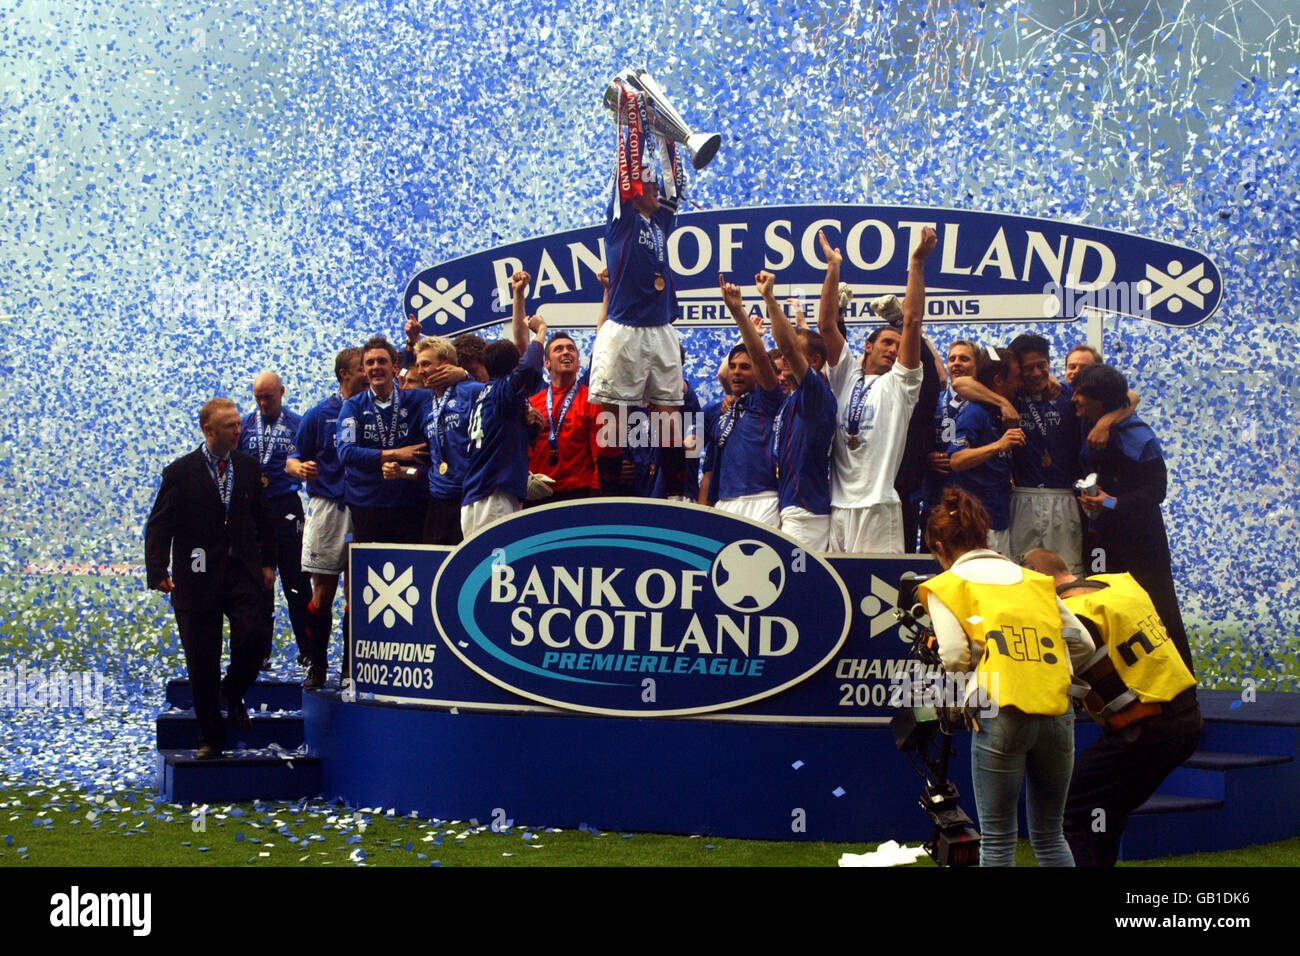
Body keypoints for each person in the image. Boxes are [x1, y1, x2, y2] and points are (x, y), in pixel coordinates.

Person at [918, 487, 1094, 866]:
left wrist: (977, 680)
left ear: (937, 545)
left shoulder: (947, 585)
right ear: (983, 533)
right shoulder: (1033, 580)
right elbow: (1082, 642)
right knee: (1050, 836)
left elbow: (952, 655)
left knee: (998, 842)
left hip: (1000, 711)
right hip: (1057, 710)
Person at [1021, 548, 1201, 866]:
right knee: (1105, 810)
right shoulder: (1119, 583)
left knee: (1072, 812)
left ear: (1037, 578)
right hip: (1187, 720)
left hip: (1145, 730)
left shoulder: (1072, 614)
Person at [145, 399, 276, 759]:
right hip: (196, 577)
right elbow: (159, 525)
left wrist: (268, 564)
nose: (239, 430)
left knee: (255, 639)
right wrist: (157, 570)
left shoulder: (248, 468)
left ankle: (232, 692)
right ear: (209, 431)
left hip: (242, 572)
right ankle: (210, 738)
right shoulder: (180, 473)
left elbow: (265, 519)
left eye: (238, 424)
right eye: (230, 426)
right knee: (202, 660)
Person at [817, 226, 937, 553]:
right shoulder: (845, 377)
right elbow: (826, 325)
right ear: (867, 346)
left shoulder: (901, 384)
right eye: (886, 342)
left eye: (897, 346)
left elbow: (911, 321)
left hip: (878, 507)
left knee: (879, 601)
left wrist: (916, 263)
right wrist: (832, 268)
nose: (893, 349)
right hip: (837, 507)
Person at [1071, 364, 1194, 672]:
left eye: (1080, 394)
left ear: (1100, 400)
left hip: (1142, 540)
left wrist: (1110, 502)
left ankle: (1183, 687)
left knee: (1160, 610)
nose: (1073, 399)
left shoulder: (1139, 437)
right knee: (1109, 609)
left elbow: (1157, 490)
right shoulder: (1088, 423)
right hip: (1102, 539)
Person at [286, 348, 365, 688]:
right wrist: (299, 468)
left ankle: (350, 669)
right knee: (323, 593)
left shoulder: (369, 410)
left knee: (358, 593)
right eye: (361, 366)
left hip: (363, 508)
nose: (367, 371)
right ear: (344, 374)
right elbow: (291, 458)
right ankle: (317, 665)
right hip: (327, 509)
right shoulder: (319, 413)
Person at [756, 269, 836, 550]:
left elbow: (787, 346)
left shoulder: (816, 393)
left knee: (802, 590)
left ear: (814, 361)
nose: (786, 356)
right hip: (791, 508)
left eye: (794, 353)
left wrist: (769, 299)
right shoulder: (790, 398)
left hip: (807, 514)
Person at [239, 371, 310, 670]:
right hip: (254, 510)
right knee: (258, 585)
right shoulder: (243, 425)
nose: (263, 403)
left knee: (296, 582)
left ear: (281, 391)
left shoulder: (298, 423)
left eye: (268, 396)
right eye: (258, 398)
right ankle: (259, 653)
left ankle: (308, 650)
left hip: (286, 506)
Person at [700, 275, 783, 526]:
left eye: (745, 367)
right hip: (724, 500)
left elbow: (758, 355)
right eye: (734, 366)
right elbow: (709, 468)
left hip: (763, 499)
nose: (736, 371)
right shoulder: (721, 411)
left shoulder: (768, 400)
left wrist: (739, 314)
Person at [460, 313, 549, 538]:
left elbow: (504, 437)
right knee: (497, 569)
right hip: (493, 496)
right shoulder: (502, 392)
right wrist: (541, 332)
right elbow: (529, 368)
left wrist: (531, 427)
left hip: (477, 495)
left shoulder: (486, 396)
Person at [336, 336, 430, 545]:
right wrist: (396, 454)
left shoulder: (418, 400)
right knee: (368, 573)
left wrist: (462, 373)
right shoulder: (352, 407)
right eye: (370, 363)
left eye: (382, 361)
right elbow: (346, 452)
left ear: (394, 367)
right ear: (363, 369)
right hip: (366, 506)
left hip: (410, 505)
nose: (375, 367)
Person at [947, 347, 1024, 555]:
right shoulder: (975, 413)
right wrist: (998, 445)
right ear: (999, 380)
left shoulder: (1001, 409)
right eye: (1017, 378)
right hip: (977, 524)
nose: (1020, 383)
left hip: (998, 518)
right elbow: (956, 459)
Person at [527, 328, 605, 504]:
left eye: (571, 349)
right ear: (546, 364)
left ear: (578, 364)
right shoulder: (532, 403)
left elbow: (598, 452)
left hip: (578, 495)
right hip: (537, 495)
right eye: (558, 349)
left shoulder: (591, 400)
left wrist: (597, 492)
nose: (566, 352)